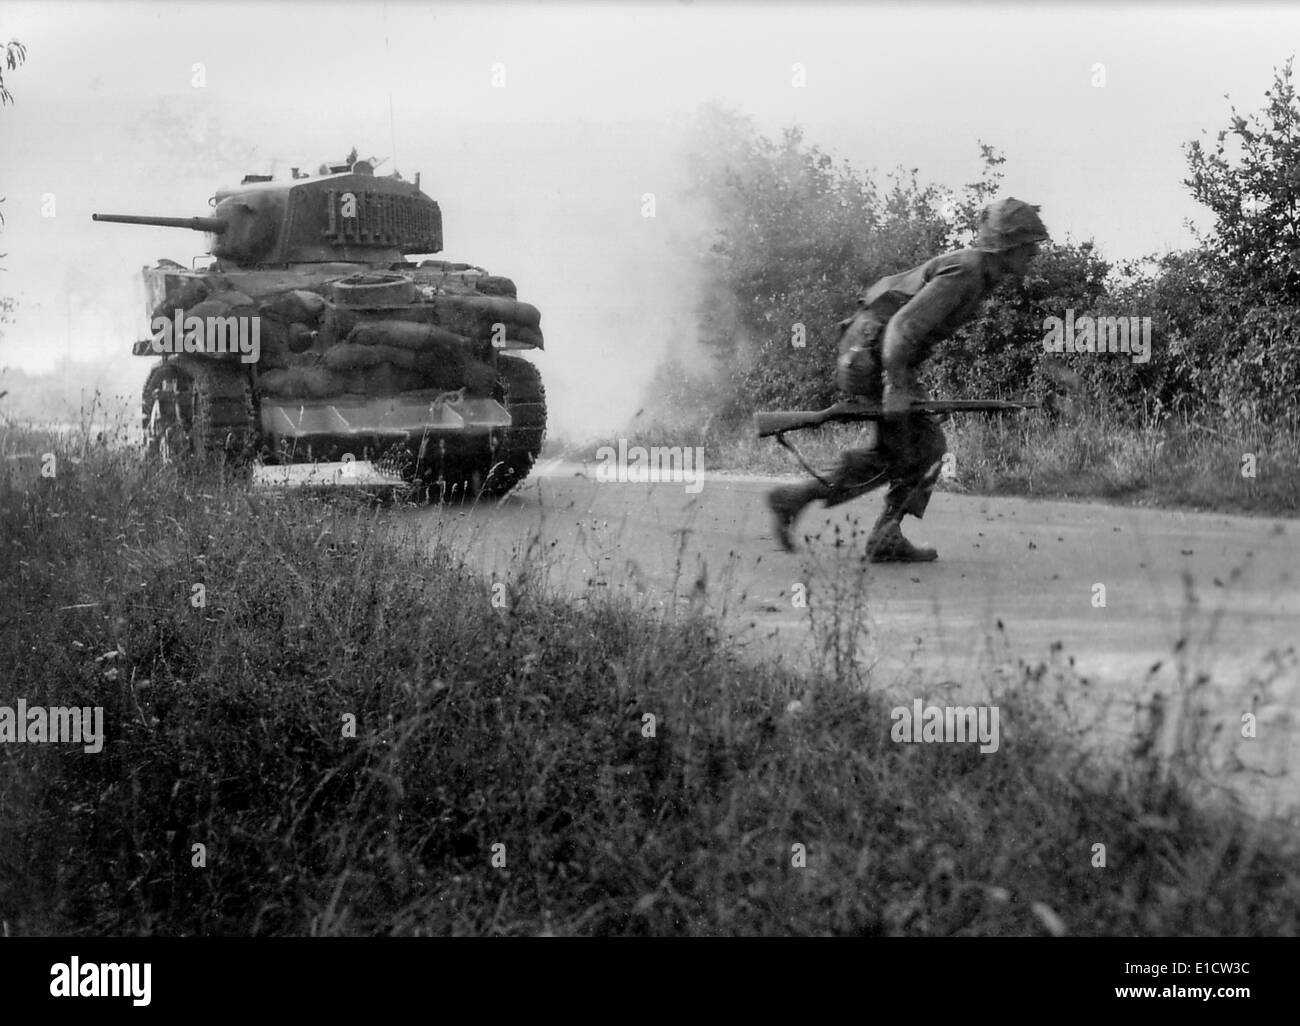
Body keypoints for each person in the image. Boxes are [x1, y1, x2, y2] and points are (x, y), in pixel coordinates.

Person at [766, 197, 1049, 561]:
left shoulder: (978, 272)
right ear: (1009, 244)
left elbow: (905, 329)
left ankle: (826, 510)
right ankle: (859, 524)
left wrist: (914, 395)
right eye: (1030, 245)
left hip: (869, 353)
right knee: (922, 450)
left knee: (907, 450)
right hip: (870, 356)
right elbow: (902, 327)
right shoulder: (968, 270)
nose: (1035, 253)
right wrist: (899, 389)